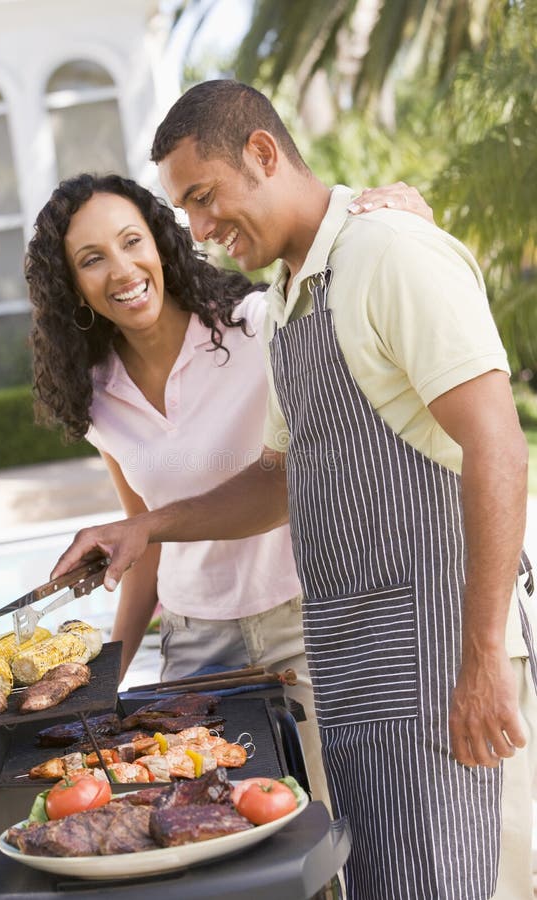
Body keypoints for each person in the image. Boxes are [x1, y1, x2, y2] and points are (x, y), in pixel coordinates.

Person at [52, 81, 537, 900]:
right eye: (188, 210)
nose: (197, 232)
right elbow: (279, 479)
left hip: (434, 656)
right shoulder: (287, 301)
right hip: (353, 663)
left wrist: (485, 658)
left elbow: (498, 445)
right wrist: (148, 529)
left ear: (265, 155)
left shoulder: (388, 254)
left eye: (202, 199)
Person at [27, 171, 429, 811]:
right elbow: (145, 543)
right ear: (72, 285)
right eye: (92, 259)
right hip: (195, 646)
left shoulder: (256, 326)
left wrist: (391, 211)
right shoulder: (97, 396)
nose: (122, 269)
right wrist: (104, 680)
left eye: (133, 241)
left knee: (330, 820)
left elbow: (356, 285)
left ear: (161, 244)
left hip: (303, 620)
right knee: (210, 833)